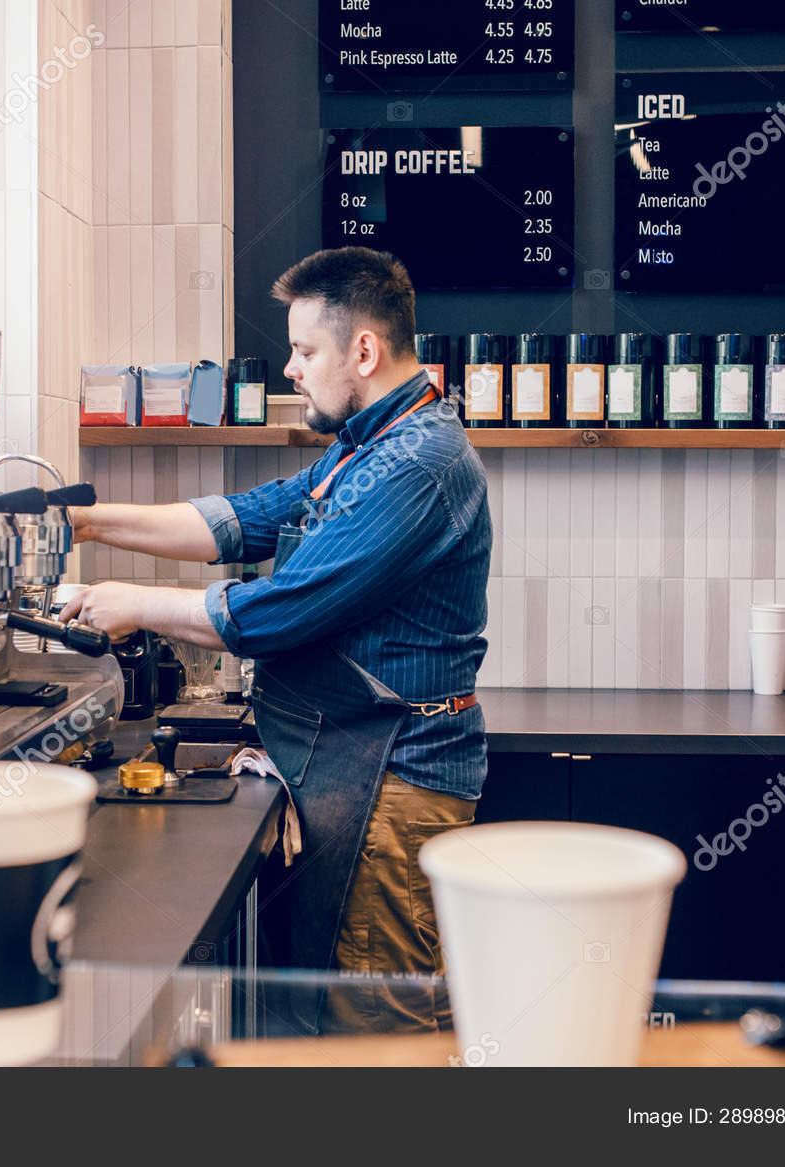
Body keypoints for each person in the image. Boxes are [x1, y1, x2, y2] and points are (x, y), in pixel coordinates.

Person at [61, 246, 492, 1033]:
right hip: (350, 763)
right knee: (332, 1023)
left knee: (376, 1031)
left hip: (390, 779)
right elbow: (245, 518)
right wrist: (85, 520)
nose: (290, 369)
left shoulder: (419, 463)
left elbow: (281, 610)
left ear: (364, 349)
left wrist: (132, 602)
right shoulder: (368, 443)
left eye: (304, 350)